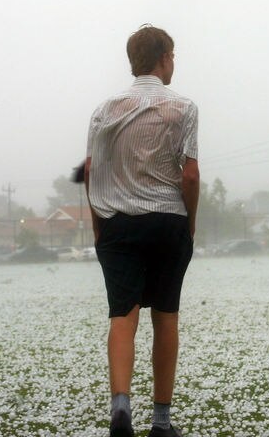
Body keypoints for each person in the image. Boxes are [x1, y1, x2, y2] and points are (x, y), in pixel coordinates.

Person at [84, 24, 199, 437]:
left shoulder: (105, 109)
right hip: (168, 221)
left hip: (118, 223)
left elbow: (92, 171)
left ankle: (120, 407)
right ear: (164, 57)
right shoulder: (183, 107)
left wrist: (99, 227)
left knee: (122, 315)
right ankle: (161, 423)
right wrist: (189, 223)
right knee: (166, 316)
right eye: (173, 55)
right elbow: (190, 175)